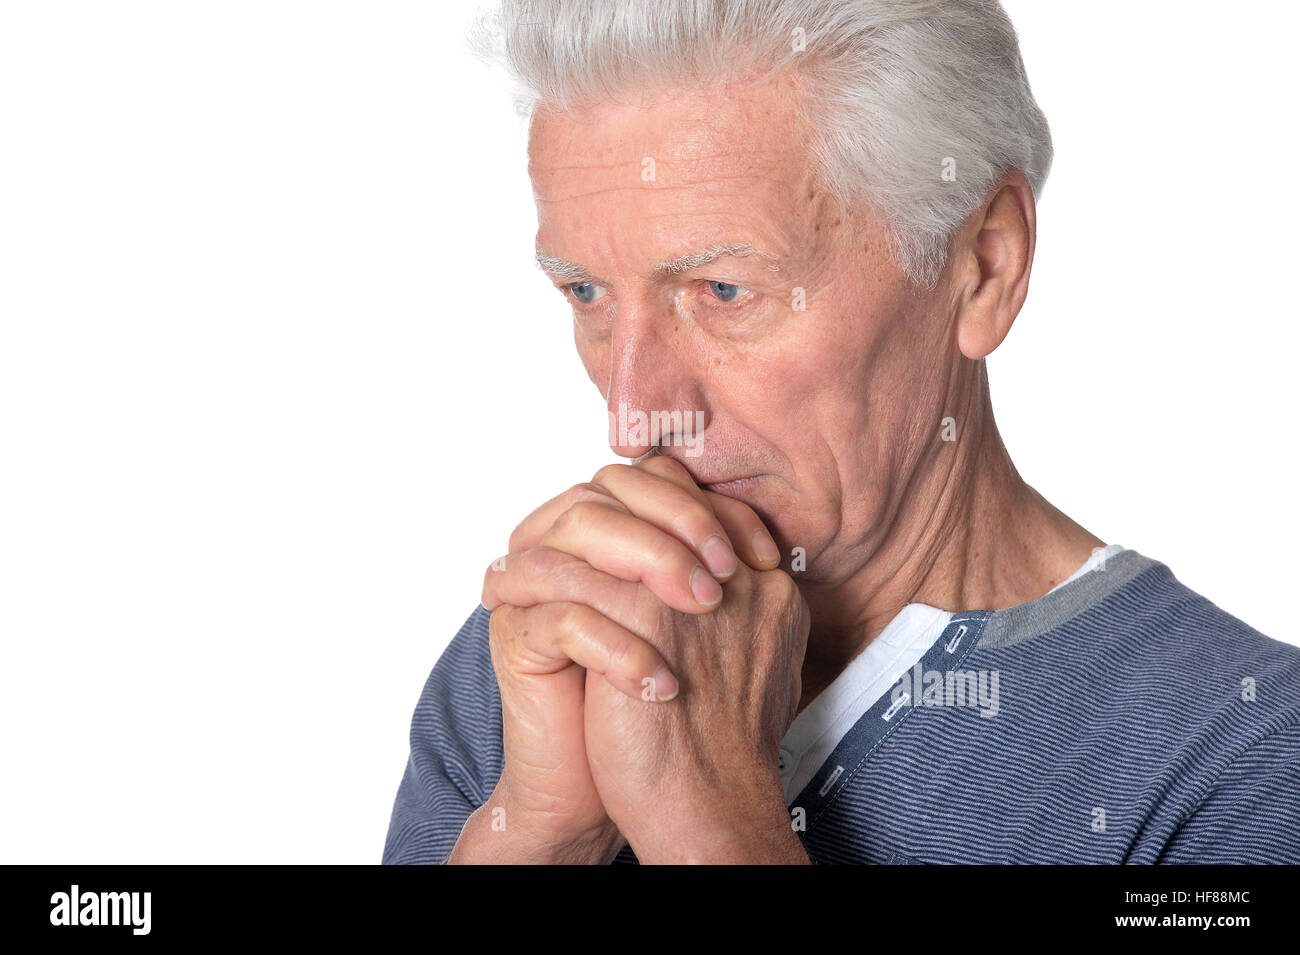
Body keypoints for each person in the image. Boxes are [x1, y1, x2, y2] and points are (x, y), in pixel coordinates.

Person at [383, 0, 1300, 864]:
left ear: (982, 266)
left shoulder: (1245, 756)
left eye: (723, 292)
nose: (633, 415)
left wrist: (709, 820)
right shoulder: (542, 651)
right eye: (586, 293)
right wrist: (538, 831)